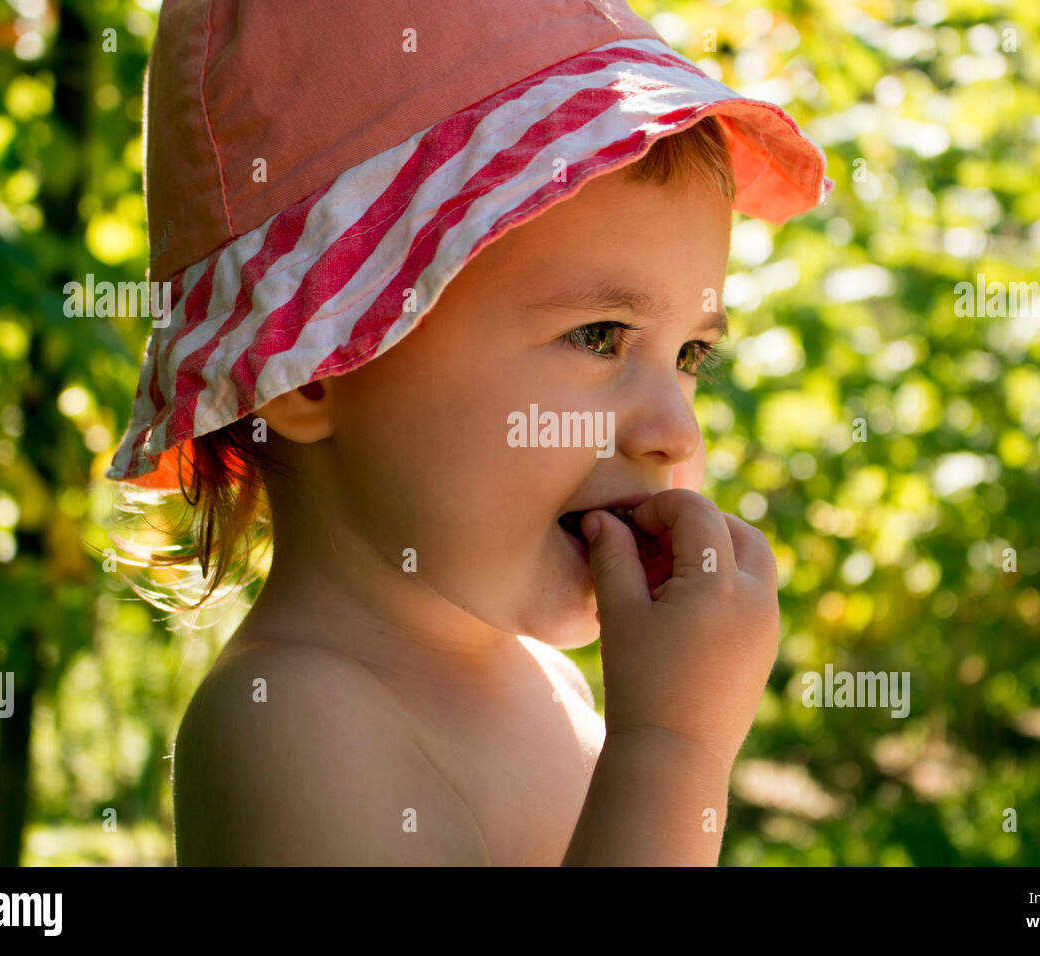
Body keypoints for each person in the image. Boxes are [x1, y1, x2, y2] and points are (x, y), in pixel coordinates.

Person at [105, 0, 829, 865]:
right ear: (313, 367)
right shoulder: (289, 717)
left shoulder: (549, 688)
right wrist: (675, 751)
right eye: (598, 336)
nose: (675, 432)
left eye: (692, 355)